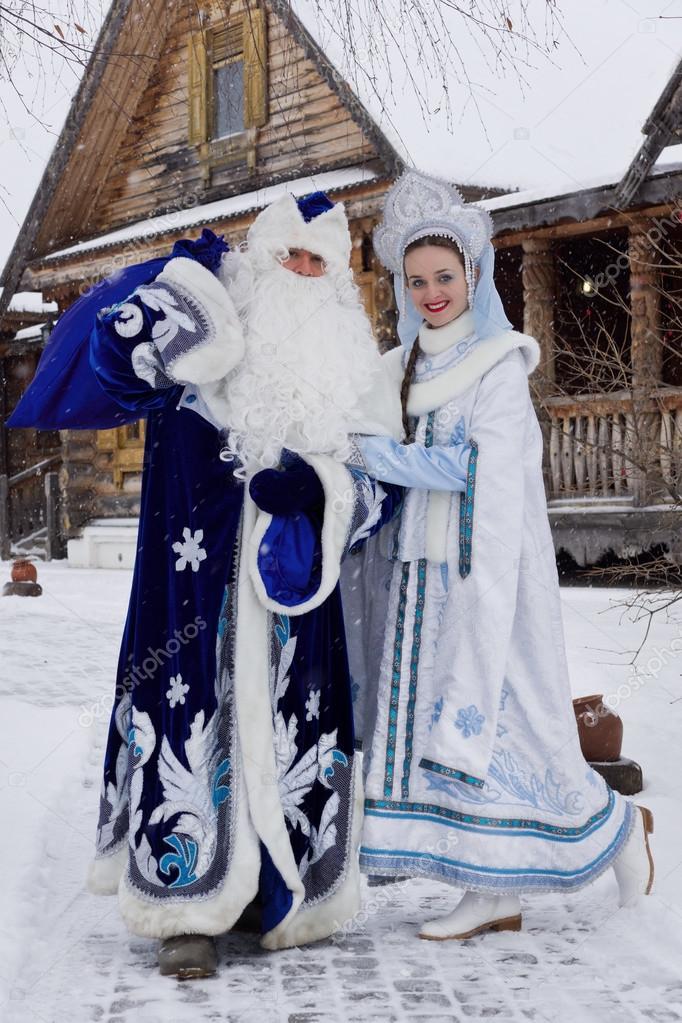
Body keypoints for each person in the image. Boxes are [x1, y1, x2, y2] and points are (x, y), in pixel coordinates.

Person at [11, 191, 401, 977]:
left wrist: (319, 492)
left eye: (316, 260)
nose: (299, 269)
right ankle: (184, 909)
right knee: (193, 730)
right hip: (194, 600)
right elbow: (115, 369)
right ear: (258, 261)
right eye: (286, 254)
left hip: (299, 605)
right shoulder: (207, 349)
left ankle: (281, 896)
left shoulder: (356, 372)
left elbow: (378, 487)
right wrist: (173, 298)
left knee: (288, 738)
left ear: (334, 279)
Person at [352, 169, 654, 941]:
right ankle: (491, 887)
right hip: (422, 583)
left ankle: (616, 828)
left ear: (472, 275)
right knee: (443, 738)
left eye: (444, 276)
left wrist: (388, 458)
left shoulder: (497, 367)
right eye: (415, 279)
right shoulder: (403, 369)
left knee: (517, 730)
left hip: (485, 582)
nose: (430, 292)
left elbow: (483, 475)